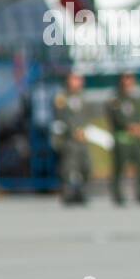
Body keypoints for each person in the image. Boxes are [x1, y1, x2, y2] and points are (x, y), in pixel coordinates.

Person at [107, 72, 140, 206]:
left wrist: (139, 127)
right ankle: (118, 195)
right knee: (119, 167)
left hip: (135, 140)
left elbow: (139, 116)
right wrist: (129, 127)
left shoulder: (134, 100)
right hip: (122, 139)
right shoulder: (115, 100)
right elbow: (116, 118)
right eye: (126, 79)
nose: (129, 82)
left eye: (131, 79)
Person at [50, 71, 91, 205]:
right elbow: (61, 119)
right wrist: (72, 132)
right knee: (68, 168)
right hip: (69, 140)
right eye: (74, 79)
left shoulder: (83, 97)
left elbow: (86, 118)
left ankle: (81, 192)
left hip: (82, 139)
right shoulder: (62, 98)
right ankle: (68, 194)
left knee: (86, 166)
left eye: (79, 79)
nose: (77, 82)